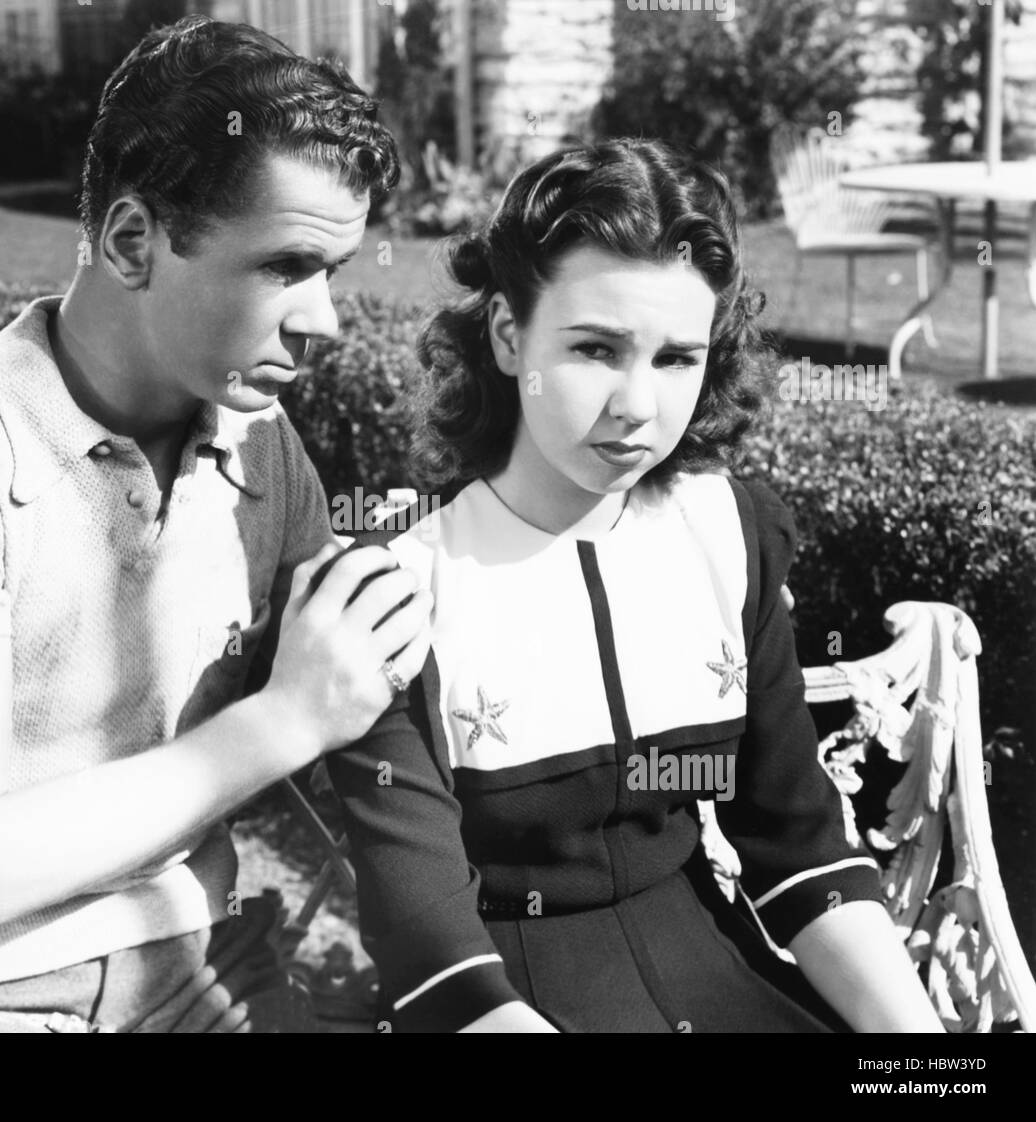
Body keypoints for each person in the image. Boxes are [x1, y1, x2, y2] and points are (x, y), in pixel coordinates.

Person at [0, 16, 431, 1033]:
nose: (325, 320)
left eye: (334, 273)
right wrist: (281, 722)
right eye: (285, 266)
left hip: (204, 970)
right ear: (134, 242)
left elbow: (368, 687)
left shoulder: (263, 447)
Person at [326, 139, 945, 1033]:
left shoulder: (728, 533)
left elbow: (800, 855)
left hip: (723, 976)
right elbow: (431, 953)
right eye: (595, 349)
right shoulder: (396, 587)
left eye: (675, 358)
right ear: (508, 336)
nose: (638, 407)